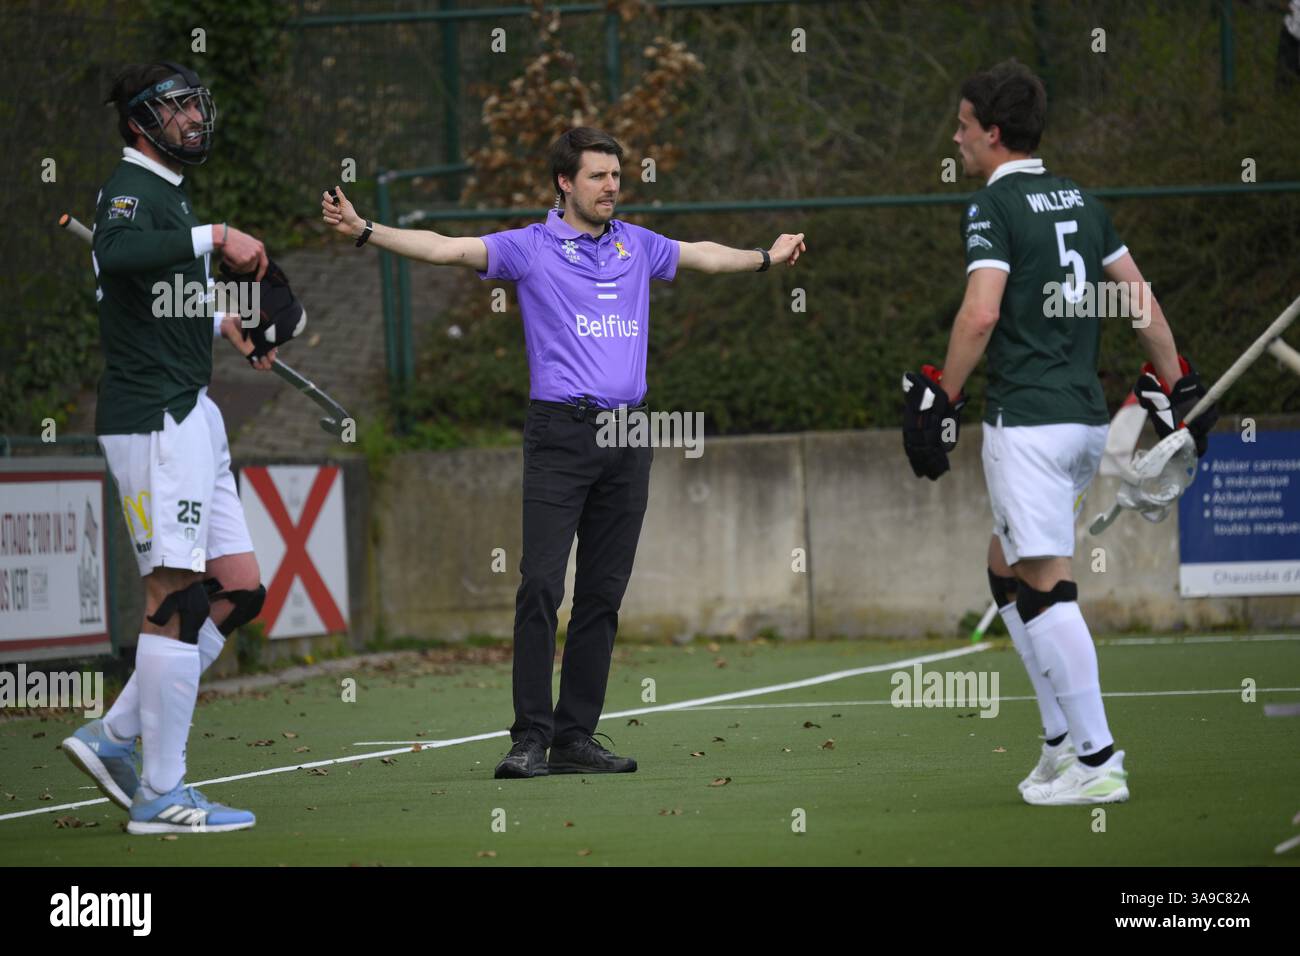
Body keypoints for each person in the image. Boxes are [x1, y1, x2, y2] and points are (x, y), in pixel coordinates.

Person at [322, 127, 805, 779]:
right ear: (565, 183)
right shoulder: (528, 247)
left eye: (616, 175)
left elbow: (703, 257)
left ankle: (575, 737)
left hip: (629, 435)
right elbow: (443, 248)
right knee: (541, 585)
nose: (611, 186)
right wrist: (364, 230)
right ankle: (529, 736)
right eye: (598, 176)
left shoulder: (638, 244)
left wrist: (766, 258)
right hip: (560, 434)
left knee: (603, 592)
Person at [901, 61, 1216, 805]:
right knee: (1003, 564)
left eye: (964, 125)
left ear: (994, 134)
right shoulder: (1082, 200)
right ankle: (1055, 741)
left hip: (1030, 423)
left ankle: (1098, 760)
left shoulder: (993, 207)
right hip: (1081, 420)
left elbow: (981, 315)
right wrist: (1180, 383)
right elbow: (1138, 298)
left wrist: (940, 399)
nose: (957, 136)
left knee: (1045, 583)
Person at [61, 61, 277, 833]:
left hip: (193, 411)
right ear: (139, 124)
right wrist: (215, 236)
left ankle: (115, 735)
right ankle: (160, 792)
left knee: (240, 589)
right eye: (176, 107)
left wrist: (224, 317)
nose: (193, 116)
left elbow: (154, 289)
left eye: (195, 103)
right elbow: (119, 253)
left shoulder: (169, 195)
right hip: (152, 418)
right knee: (176, 593)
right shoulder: (130, 191)